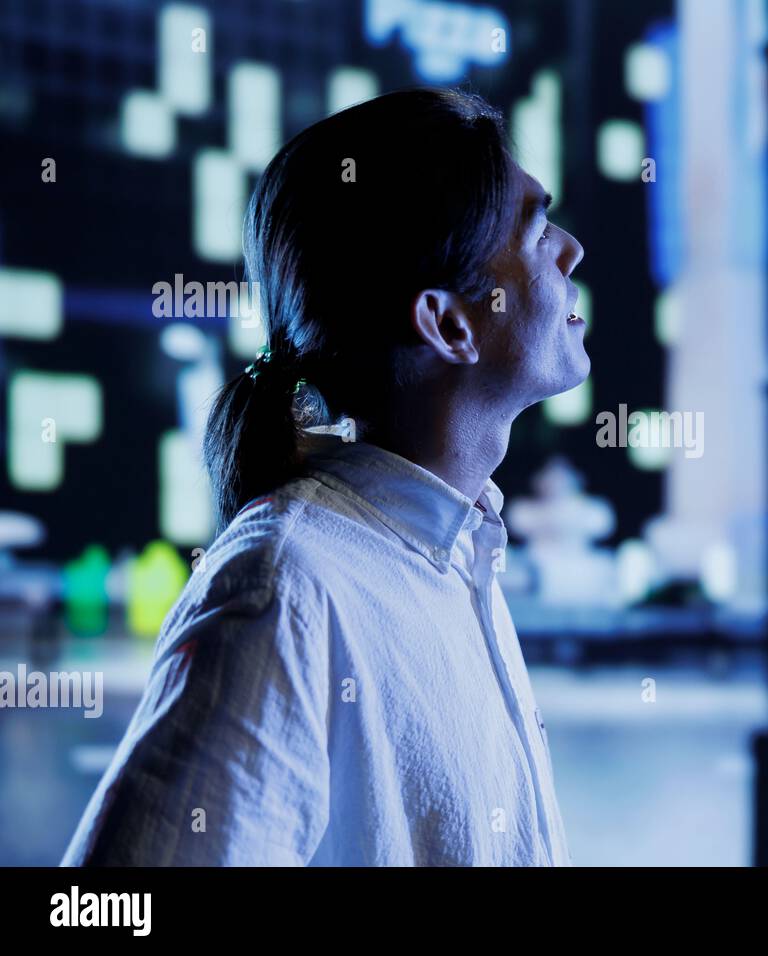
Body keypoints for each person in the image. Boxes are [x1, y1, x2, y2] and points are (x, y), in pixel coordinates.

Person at [61, 88, 587, 866]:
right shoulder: (287, 590)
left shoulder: (457, 562)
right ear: (447, 323)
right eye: (537, 228)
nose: (570, 251)